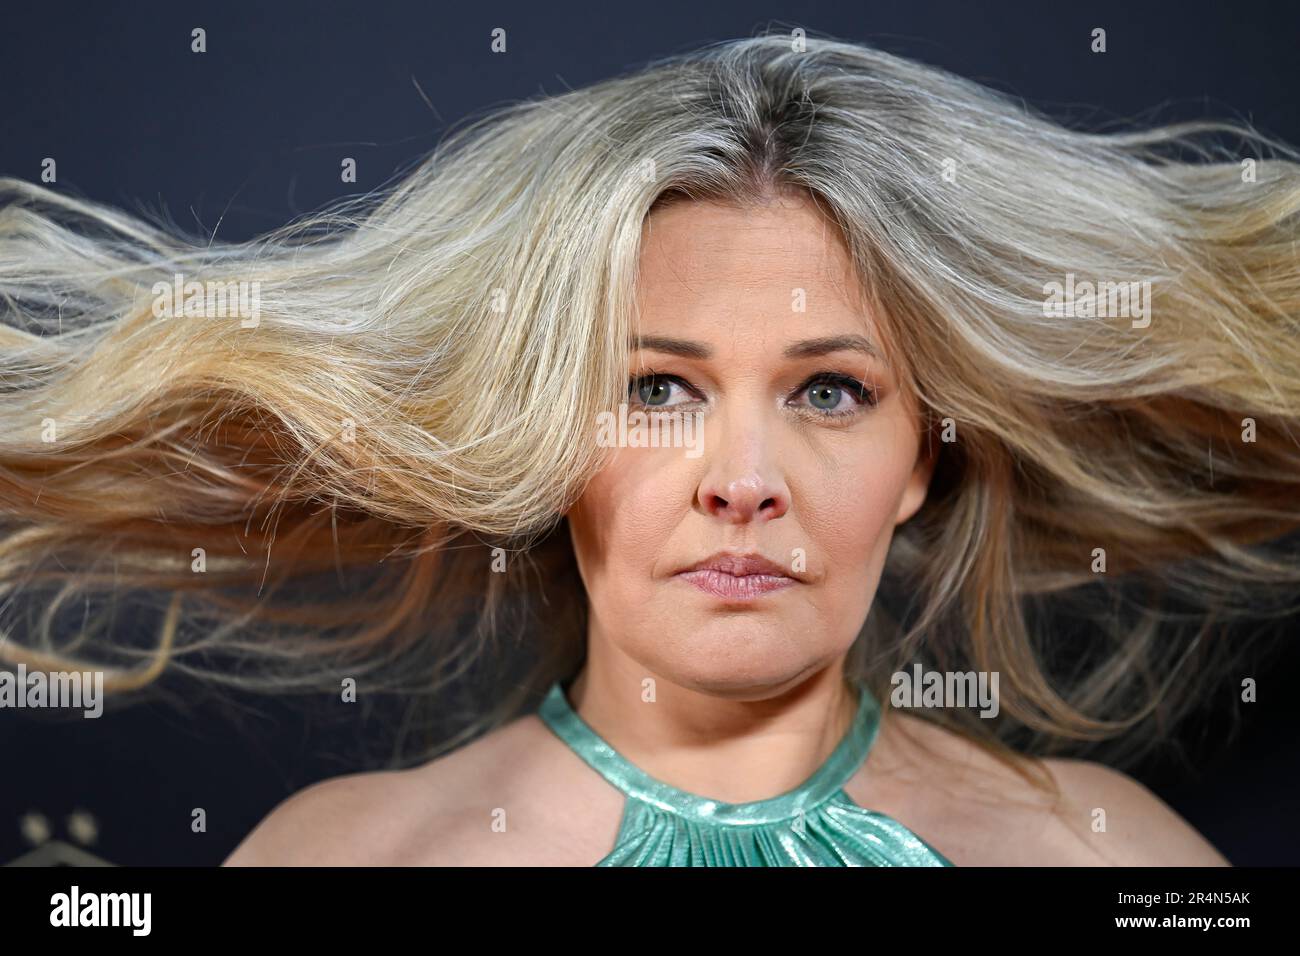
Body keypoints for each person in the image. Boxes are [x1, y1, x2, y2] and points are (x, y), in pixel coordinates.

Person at [4, 32, 1297, 866]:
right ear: (545, 431)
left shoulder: (1111, 858)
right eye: (658, 389)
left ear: (922, 460)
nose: (743, 480)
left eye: (833, 393)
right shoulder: (343, 857)